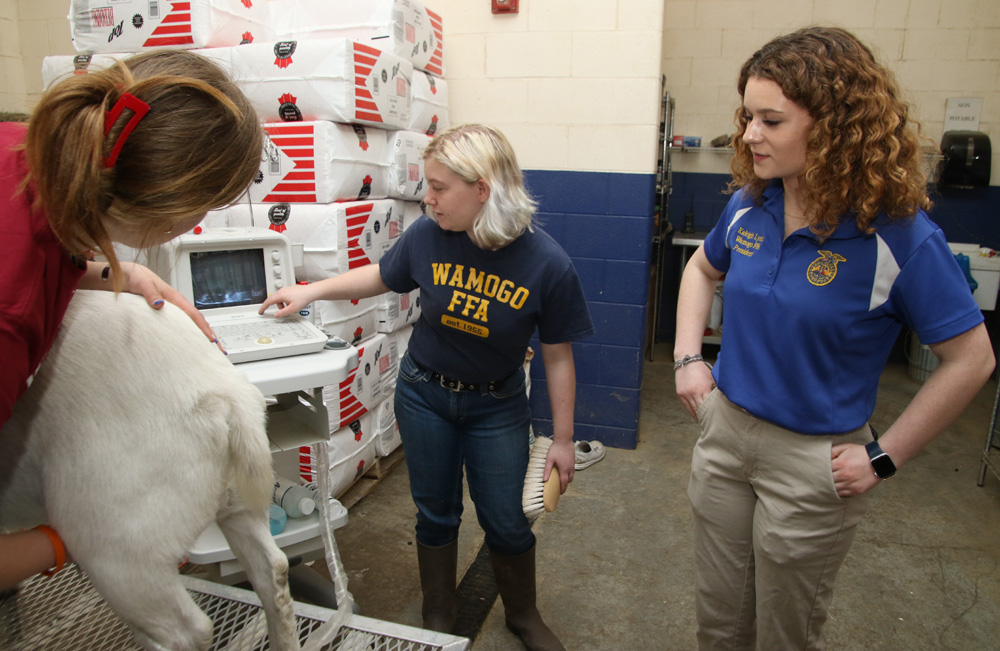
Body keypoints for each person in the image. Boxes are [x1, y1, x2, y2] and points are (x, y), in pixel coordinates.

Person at [674, 26, 995, 650]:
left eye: (771, 120)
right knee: (719, 626)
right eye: (747, 117)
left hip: (813, 462)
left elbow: (971, 359)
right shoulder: (750, 205)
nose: (749, 135)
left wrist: (884, 455)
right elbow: (701, 268)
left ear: (833, 127)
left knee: (785, 636)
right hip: (725, 436)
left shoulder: (897, 236)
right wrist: (689, 358)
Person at [260, 124, 593, 650]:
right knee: (436, 511)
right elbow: (382, 276)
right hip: (425, 395)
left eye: (438, 188)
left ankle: (523, 614)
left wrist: (564, 439)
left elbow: (557, 355)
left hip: (497, 405)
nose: (428, 199)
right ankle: (438, 606)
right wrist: (310, 290)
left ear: (482, 189)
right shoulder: (427, 235)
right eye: (426, 186)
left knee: (506, 519)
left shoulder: (547, 263)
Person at [0, 49, 263, 590]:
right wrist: (85, 534)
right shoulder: (10, 315)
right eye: (207, 208)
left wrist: (106, 271)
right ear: (173, 205)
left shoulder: (30, 151)